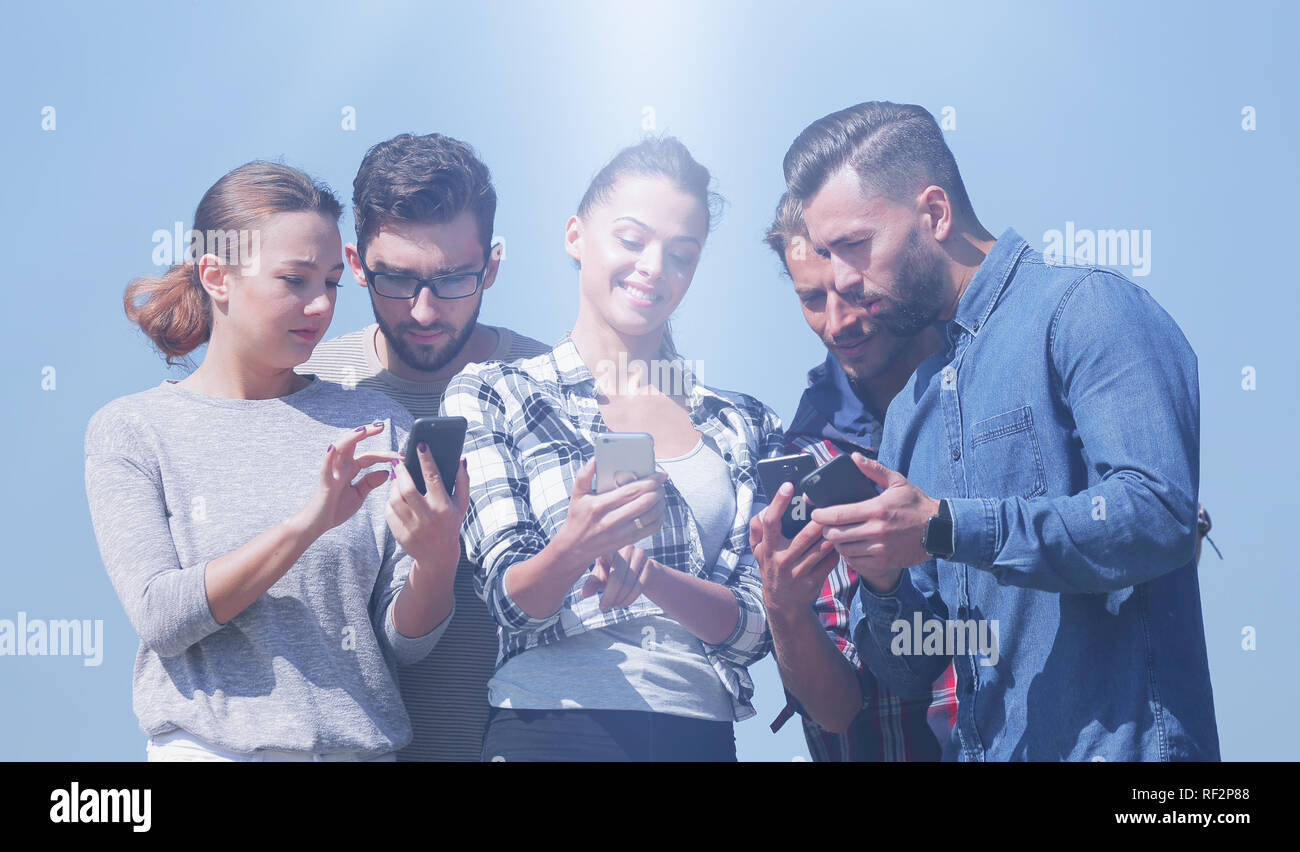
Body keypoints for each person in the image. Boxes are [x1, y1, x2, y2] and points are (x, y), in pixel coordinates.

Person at [781, 101, 1219, 760]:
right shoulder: (912, 408)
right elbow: (910, 668)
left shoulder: (1085, 308)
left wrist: (946, 525)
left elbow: (1158, 517)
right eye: (825, 255)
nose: (842, 279)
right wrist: (882, 579)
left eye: (854, 245)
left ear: (933, 213)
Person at [84, 161, 465, 761]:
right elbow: (162, 616)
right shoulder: (134, 430)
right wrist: (308, 523)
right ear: (216, 274)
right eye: (294, 280)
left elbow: (403, 643)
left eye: (333, 283)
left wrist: (438, 559)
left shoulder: (374, 422)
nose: (320, 306)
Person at [441, 136, 780, 761]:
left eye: (681, 254)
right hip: (549, 727)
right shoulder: (496, 392)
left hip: (697, 734)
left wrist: (650, 577)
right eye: (631, 240)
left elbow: (757, 628)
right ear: (576, 235)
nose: (654, 267)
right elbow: (511, 603)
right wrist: (575, 547)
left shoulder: (741, 423)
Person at [297, 133, 548, 761]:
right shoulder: (305, 388)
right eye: (398, 279)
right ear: (355, 264)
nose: (426, 309)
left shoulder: (553, 386)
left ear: (491, 265)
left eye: (455, 278)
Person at [755, 192, 956, 761]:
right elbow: (837, 709)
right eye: (812, 298)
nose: (837, 321)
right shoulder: (796, 457)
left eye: (851, 291)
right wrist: (784, 609)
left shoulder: (994, 384)